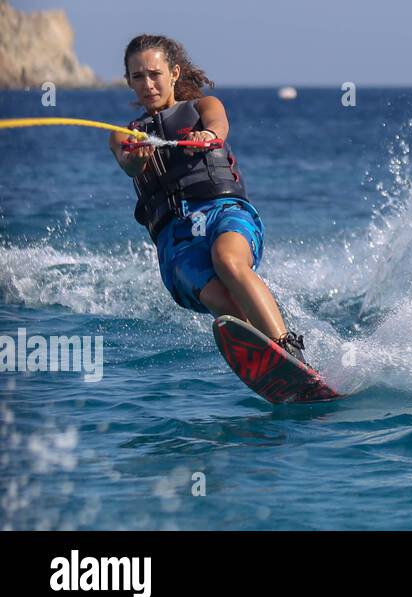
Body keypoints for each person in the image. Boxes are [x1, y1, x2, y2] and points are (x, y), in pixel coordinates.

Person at [108, 34, 309, 364]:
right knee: (219, 297)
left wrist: (209, 135)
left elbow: (219, 125)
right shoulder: (124, 135)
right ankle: (269, 363)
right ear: (128, 81)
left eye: (155, 74)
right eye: (138, 76)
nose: (148, 84)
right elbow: (128, 165)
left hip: (224, 212)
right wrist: (138, 156)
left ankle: (289, 350)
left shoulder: (204, 107)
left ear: (173, 73)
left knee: (228, 260)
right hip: (177, 239)